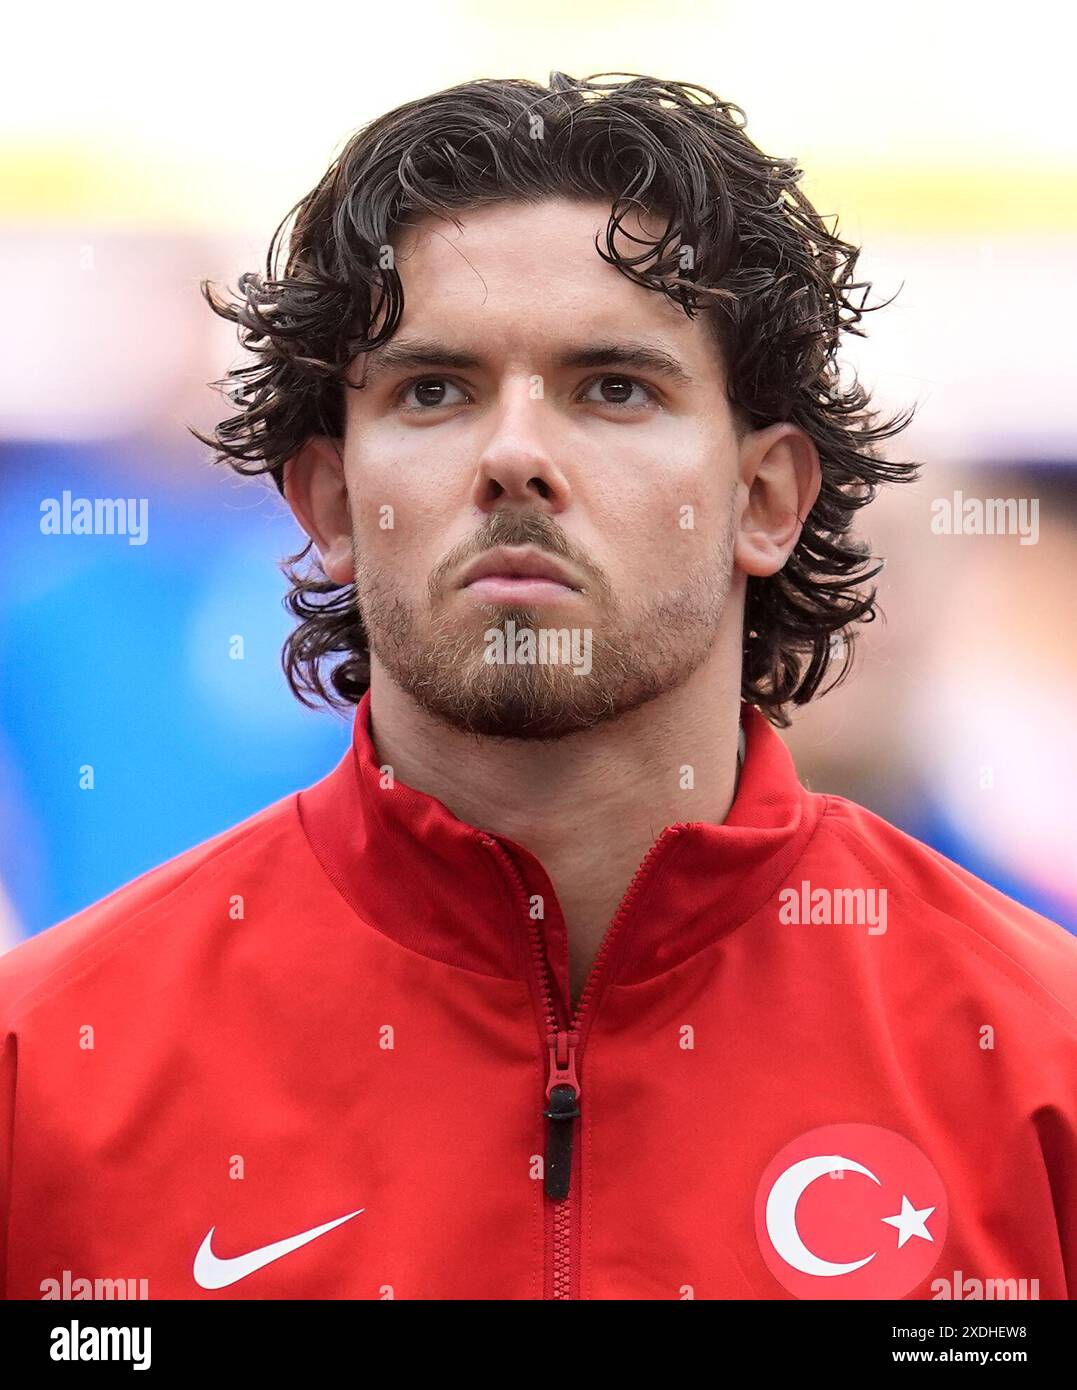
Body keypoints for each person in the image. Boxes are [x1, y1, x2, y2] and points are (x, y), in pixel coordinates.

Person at [1, 73, 1073, 1302]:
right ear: (329, 505)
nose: (515, 455)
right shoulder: (43, 1075)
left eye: (614, 387)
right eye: (435, 390)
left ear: (766, 498)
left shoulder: (1041, 1062)